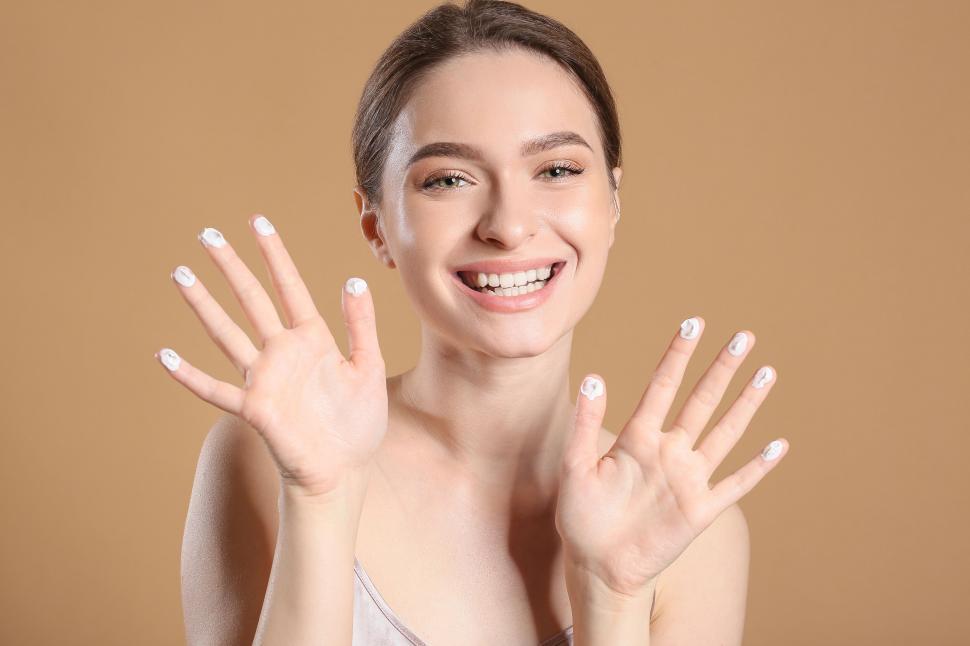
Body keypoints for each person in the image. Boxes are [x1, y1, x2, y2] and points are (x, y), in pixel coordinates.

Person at [156, 1, 787, 644]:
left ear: (613, 202)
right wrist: (321, 503)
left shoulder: (688, 526)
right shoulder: (269, 460)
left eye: (559, 170)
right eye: (449, 179)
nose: (509, 226)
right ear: (377, 225)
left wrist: (613, 595)